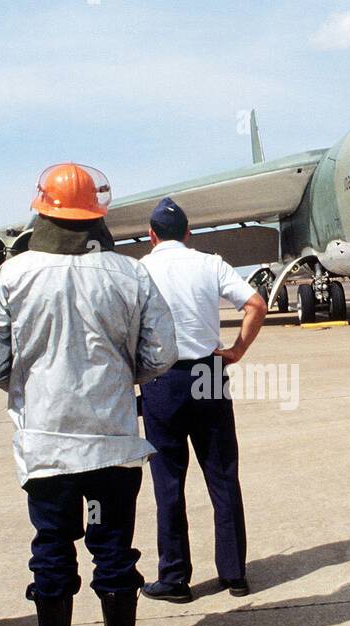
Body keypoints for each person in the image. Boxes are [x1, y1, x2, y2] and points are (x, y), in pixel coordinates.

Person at [0, 163, 177, 626]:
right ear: (98, 215)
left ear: (41, 209)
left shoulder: (13, 275)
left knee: (51, 547)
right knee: (113, 550)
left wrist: (31, 387)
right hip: (113, 444)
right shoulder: (131, 273)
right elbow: (161, 352)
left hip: (46, 447)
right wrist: (118, 374)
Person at [137, 197, 267, 603]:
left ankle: (174, 578)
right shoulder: (210, 263)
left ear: (151, 235)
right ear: (189, 233)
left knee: (169, 482)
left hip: (162, 380)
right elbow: (255, 304)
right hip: (208, 373)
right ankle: (234, 574)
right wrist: (237, 350)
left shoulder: (141, 270)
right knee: (223, 474)